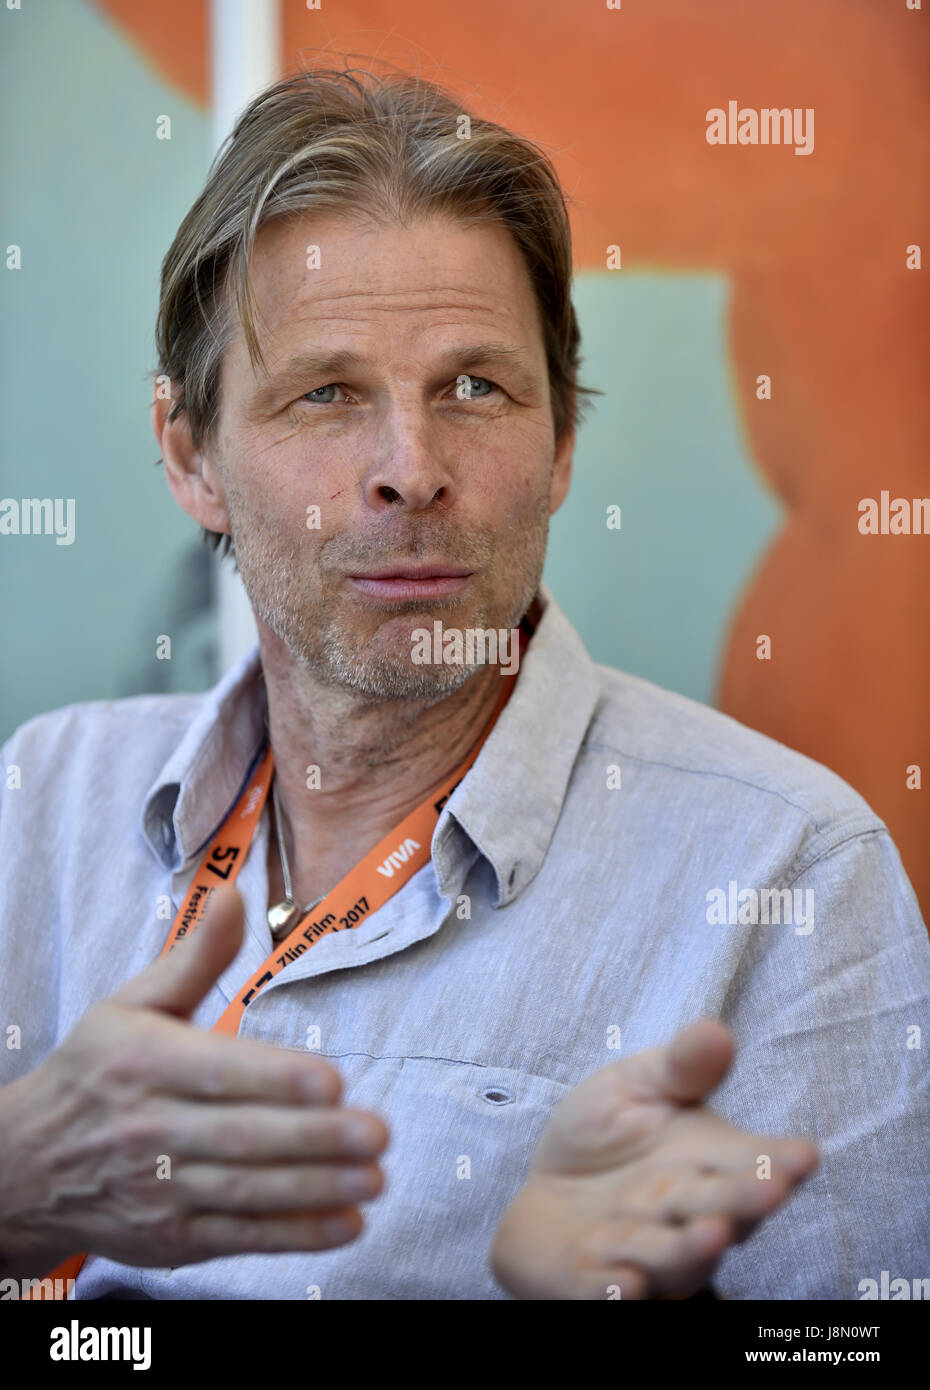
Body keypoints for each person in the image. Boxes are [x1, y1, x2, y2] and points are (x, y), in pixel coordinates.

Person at [1, 66, 927, 1302]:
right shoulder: (39, 803)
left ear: (559, 449)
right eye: (328, 392)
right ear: (191, 457)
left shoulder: (790, 870)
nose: (410, 469)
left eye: (475, 389)